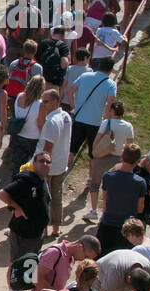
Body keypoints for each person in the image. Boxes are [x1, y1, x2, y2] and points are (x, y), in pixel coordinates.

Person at [0, 150, 53, 291]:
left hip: (36, 234)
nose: (45, 164)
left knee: (28, 264)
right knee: (16, 265)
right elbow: (2, 194)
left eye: (47, 162)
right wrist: (17, 207)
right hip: (23, 233)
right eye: (41, 161)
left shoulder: (42, 181)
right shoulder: (27, 180)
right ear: (34, 164)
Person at [86, 99, 134, 221]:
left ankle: (94, 210)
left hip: (102, 157)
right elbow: (130, 146)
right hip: (118, 159)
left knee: (95, 184)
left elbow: (97, 140)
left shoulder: (106, 123)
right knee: (113, 187)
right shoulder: (128, 126)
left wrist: (94, 152)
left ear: (112, 110)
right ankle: (107, 211)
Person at [66, 56, 117, 164]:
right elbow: (110, 105)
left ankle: (64, 170)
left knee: (71, 150)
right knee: (93, 153)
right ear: (111, 69)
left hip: (79, 117)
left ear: (99, 65)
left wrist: (74, 106)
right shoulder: (111, 84)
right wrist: (107, 122)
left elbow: (70, 92)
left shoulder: (85, 76)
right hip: (95, 122)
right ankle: (91, 174)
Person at [97, 143, 147, 253]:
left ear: (122, 156)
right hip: (128, 230)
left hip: (107, 225)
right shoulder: (140, 183)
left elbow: (105, 202)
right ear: (137, 161)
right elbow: (140, 209)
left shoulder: (107, 176)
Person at [37, 88, 72, 234]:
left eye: (46, 101)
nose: (43, 104)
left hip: (49, 166)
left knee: (43, 197)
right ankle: (56, 228)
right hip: (60, 164)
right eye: (42, 101)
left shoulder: (52, 121)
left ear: (56, 102)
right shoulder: (66, 117)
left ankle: (43, 228)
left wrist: (42, 166)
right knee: (57, 197)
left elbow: (48, 147)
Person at [9, 74, 46, 174]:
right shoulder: (40, 104)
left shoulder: (20, 96)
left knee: (18, 165)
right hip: (33, 138)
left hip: (18, 135)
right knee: (33, 167)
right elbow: (40, 124)